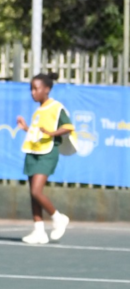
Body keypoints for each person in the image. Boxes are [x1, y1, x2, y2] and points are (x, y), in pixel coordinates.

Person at [16, 73, 74, 245]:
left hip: (47, 154)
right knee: (32, 195)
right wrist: (26, 128)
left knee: (36, 191)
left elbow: (68, 127)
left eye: (36, 88)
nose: (33, 92)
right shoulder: (38, 111)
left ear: (47, 89)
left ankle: (58, 218)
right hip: (33, 153)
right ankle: (39, 231)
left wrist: (52, 133)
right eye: (31, 89)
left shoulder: (56, 107)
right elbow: (37, 134)